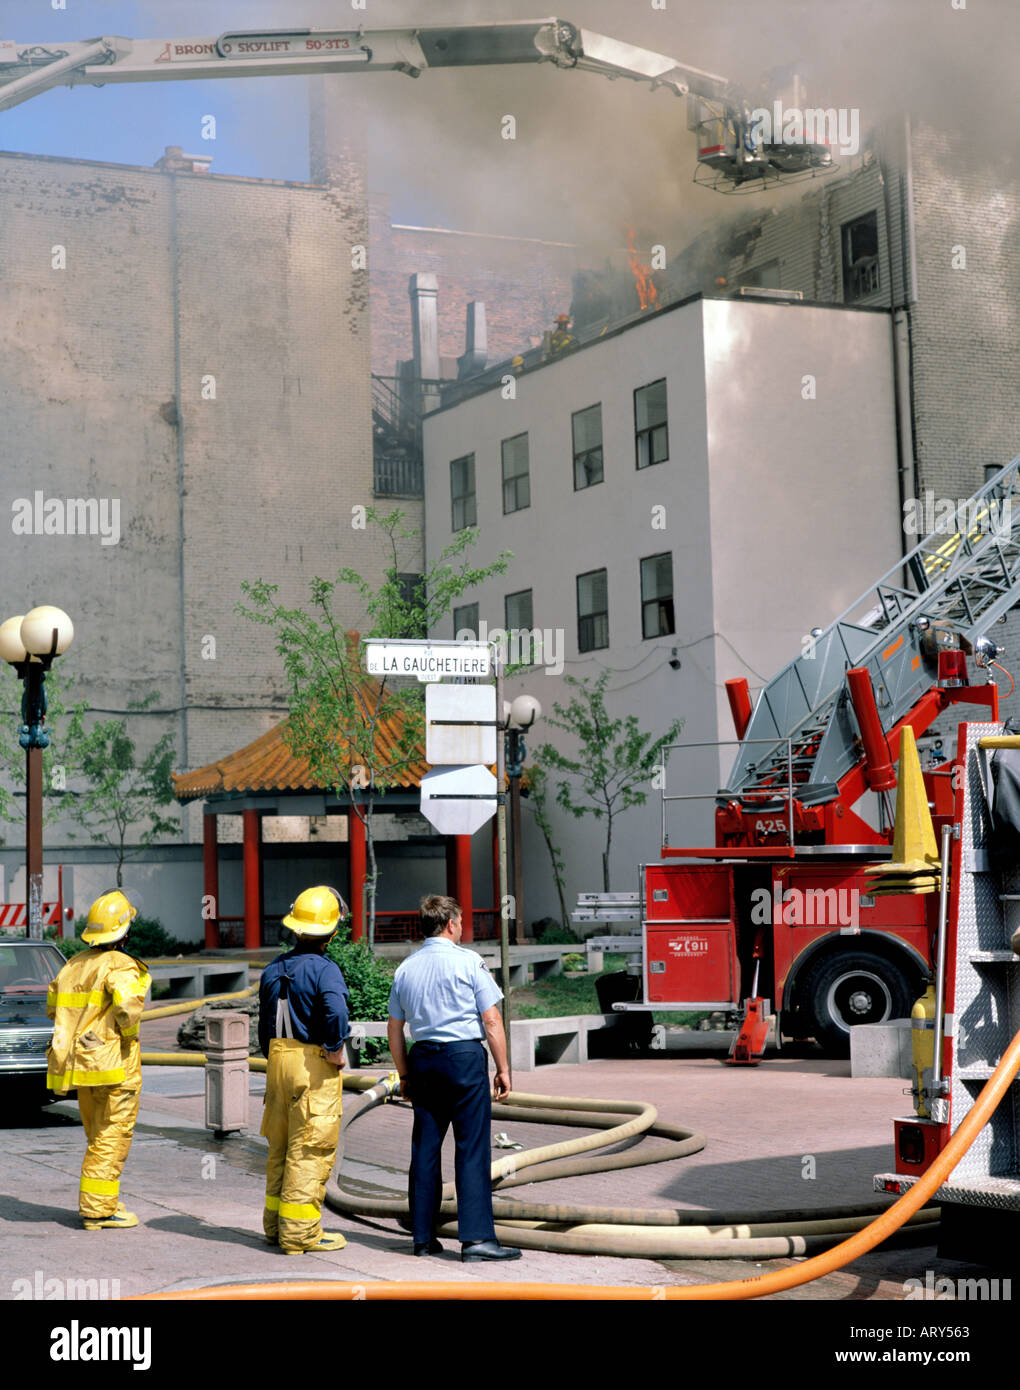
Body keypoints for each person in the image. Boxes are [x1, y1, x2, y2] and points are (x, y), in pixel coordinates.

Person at [387, 894, 521, 1263]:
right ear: (450, 924)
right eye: (460, 923)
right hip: (463, 1057)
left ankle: (423, 1238)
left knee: (425, 1149)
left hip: (424, 1059)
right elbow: (491, 1020)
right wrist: (503, 1068)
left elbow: (395, 1029)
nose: (462, 929)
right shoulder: (469, 962)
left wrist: (404, 1074)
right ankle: (477, 1240)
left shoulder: (406, 969)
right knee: (472, 1148)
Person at [46, 890, 150, 1231]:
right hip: (112, 1064)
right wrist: (128, 1033)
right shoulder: (119, 965)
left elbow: (53, 1009)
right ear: (123, 931)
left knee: (97, 1135)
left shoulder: (73, 965)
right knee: (113, 1135)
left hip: (80, 1066)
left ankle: (102, 1201)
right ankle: (98, 1211)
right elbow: (126, 1008)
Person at [258, 884, 351, 1255]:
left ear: (296, 928)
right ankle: (298, 1235)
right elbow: (336, 1011)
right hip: (311, 1065)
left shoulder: (272, 968)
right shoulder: (325, 970)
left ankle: (274, 1226)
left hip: (278, 1062)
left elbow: (265, 1024)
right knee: (309, 1150)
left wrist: (275, 1053)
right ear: (331, 932)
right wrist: (334, 1047)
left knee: (279, 1148)